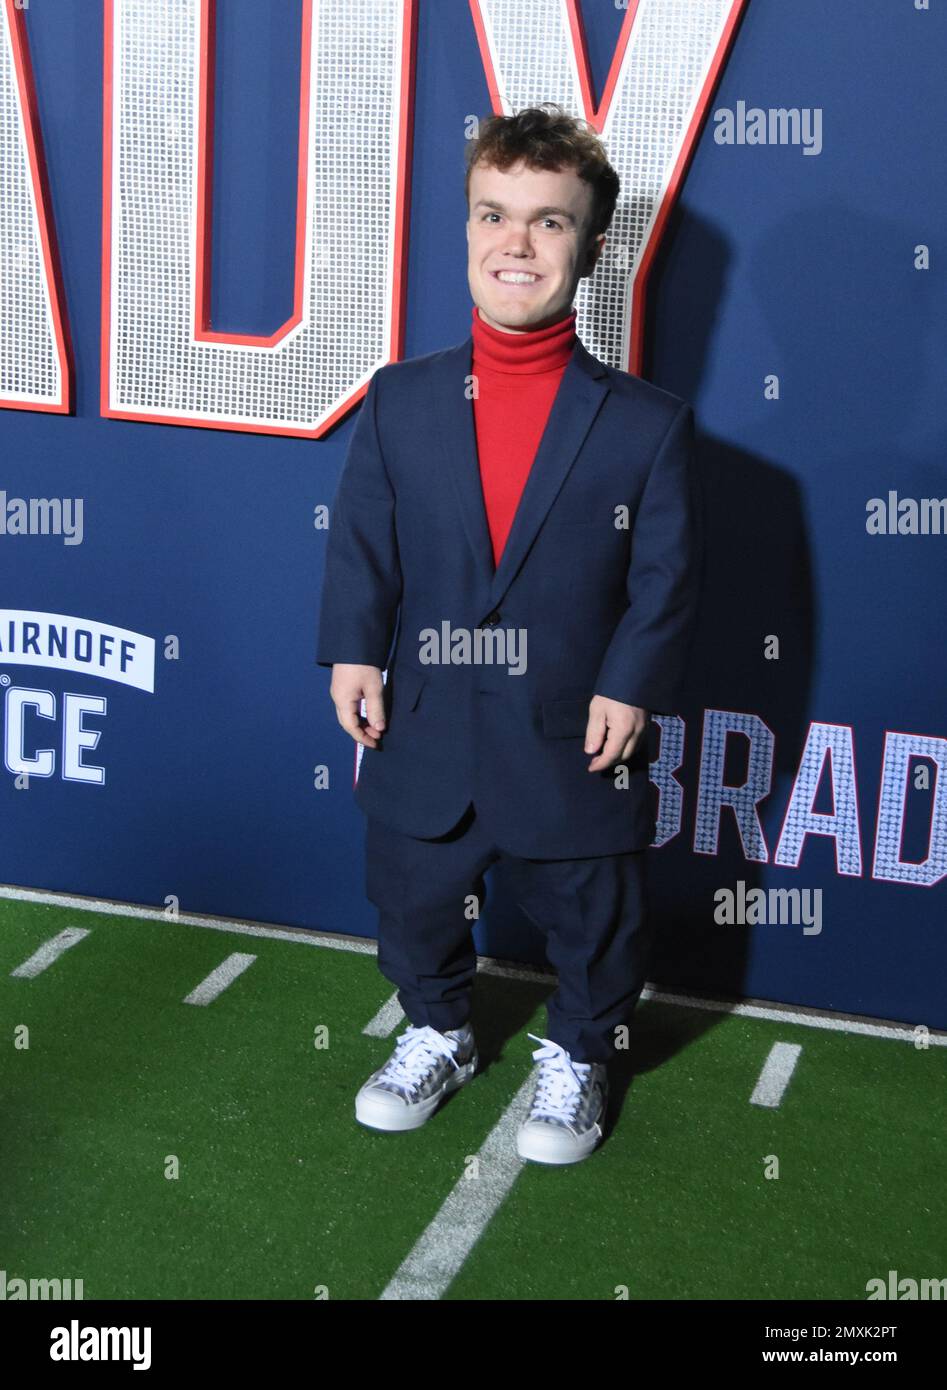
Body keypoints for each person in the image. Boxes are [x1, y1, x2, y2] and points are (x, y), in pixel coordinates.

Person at [316, 103, 702, 1165]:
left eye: (548, 221)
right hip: (429, 720)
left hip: (568, 729)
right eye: (494, 215)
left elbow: (663, 581)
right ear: (467, 227)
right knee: (409, 895)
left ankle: (580, 1051)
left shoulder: (644, 422)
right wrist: (353, 649)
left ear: (588, 244)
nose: (515, 244)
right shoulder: (399, 400)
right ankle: (437, 1028)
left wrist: (628, 684)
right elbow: (363, 543)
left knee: (594, 916)